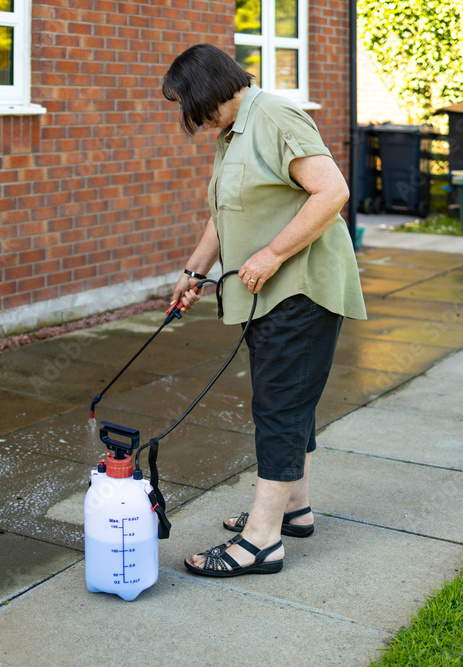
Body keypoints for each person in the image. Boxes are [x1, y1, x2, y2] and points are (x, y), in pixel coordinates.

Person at [162, 43, 366, 577]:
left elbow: (332, 192)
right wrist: (194, 271)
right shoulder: (233, 132)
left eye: (189, 105)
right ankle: (293, 509)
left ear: (209, 89)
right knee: (289, 400)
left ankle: (261, 541)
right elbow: (225, 211)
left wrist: (272, 253)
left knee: (279, 407)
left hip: (301, 287)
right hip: (267, 293)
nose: (191, 119)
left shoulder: (274, 116)